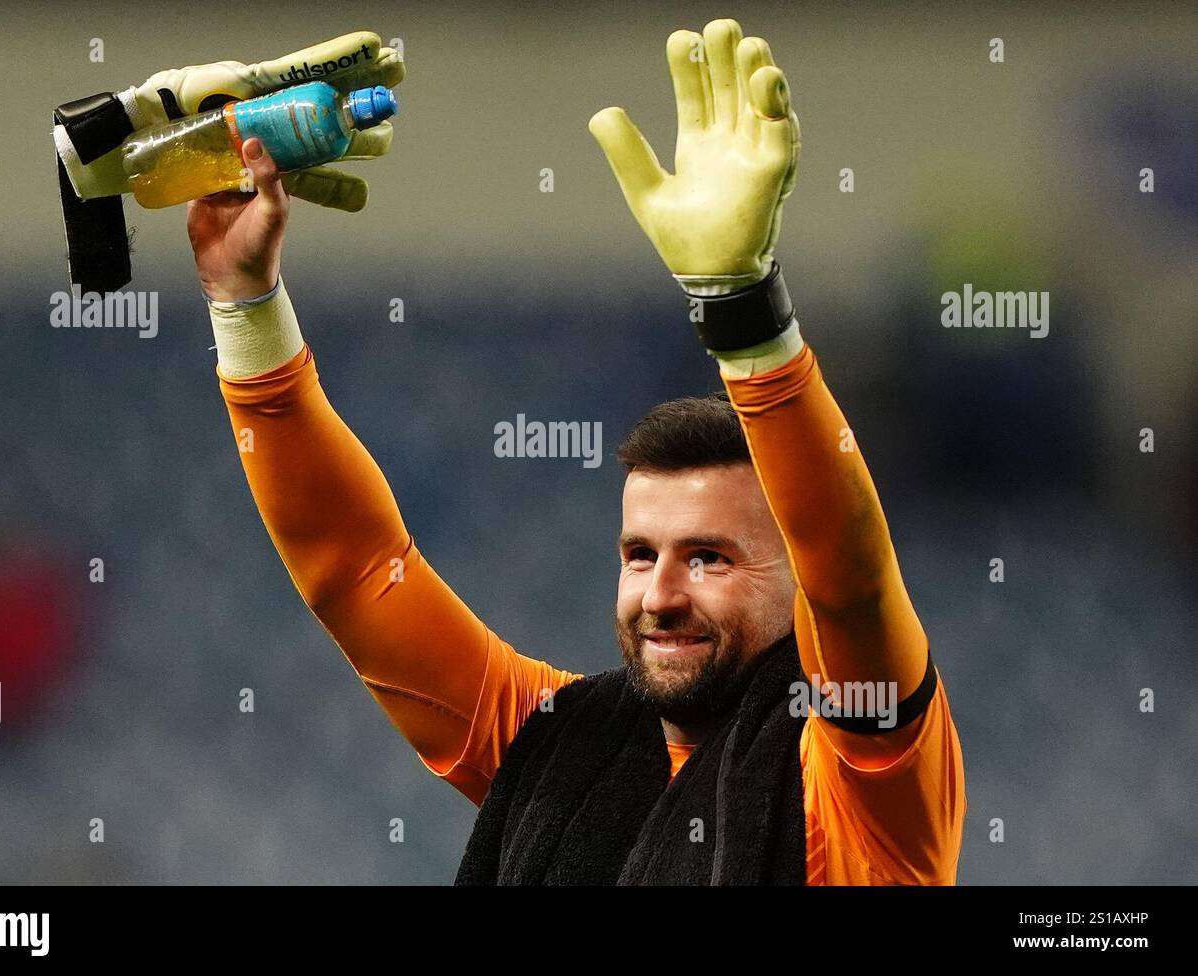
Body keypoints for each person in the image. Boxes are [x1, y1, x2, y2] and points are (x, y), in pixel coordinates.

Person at [188, 18, 965, 885]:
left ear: (799, 584)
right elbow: (357, 569)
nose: (660, 596)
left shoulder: (866, 772)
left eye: (709, 558)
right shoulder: (559, 744)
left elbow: (852, 580)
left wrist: (742, 308)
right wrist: (244, 302)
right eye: (640, 555)